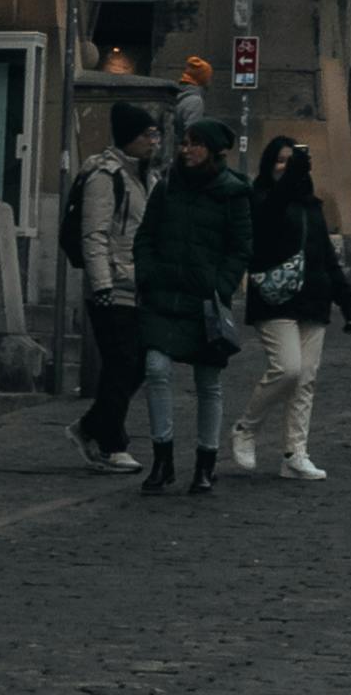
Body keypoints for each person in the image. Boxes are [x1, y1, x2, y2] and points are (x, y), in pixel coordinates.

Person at [132, 113, 249, 496]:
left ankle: (205, 462)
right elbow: (146, 236)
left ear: (212, 151)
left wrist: (221, 285)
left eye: (195, 144)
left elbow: (240, 247)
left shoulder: (233, 192)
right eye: (184, 143)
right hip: (164, 294)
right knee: (156, 367)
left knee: (207, 381)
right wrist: (147, 274)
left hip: (205, 301)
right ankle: (162, 458)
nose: (187, 150)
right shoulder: (167, 187)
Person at [235, 132, 351, 478]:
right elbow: (269, 215)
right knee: (286, 369)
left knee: (305, 379)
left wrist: (346, 301)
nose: (285, 167)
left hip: (314, 298)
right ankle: (246, 428)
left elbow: (326, 258)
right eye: (280, 160)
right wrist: (291, 177)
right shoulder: (259, 197)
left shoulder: (312, 206)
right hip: (275, 298)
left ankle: (295, 452)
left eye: (292, 162)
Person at [62, 96, 156, 470]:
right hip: (111, 285)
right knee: (122, 363)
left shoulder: (147, 176)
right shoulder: (105, 177)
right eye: (149, 134)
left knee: (138, 364)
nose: (155, 140)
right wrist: (101, 284)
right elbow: (94, 234)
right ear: (130, 137)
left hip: (138, 286)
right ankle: (112, 443)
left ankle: (90, 427)